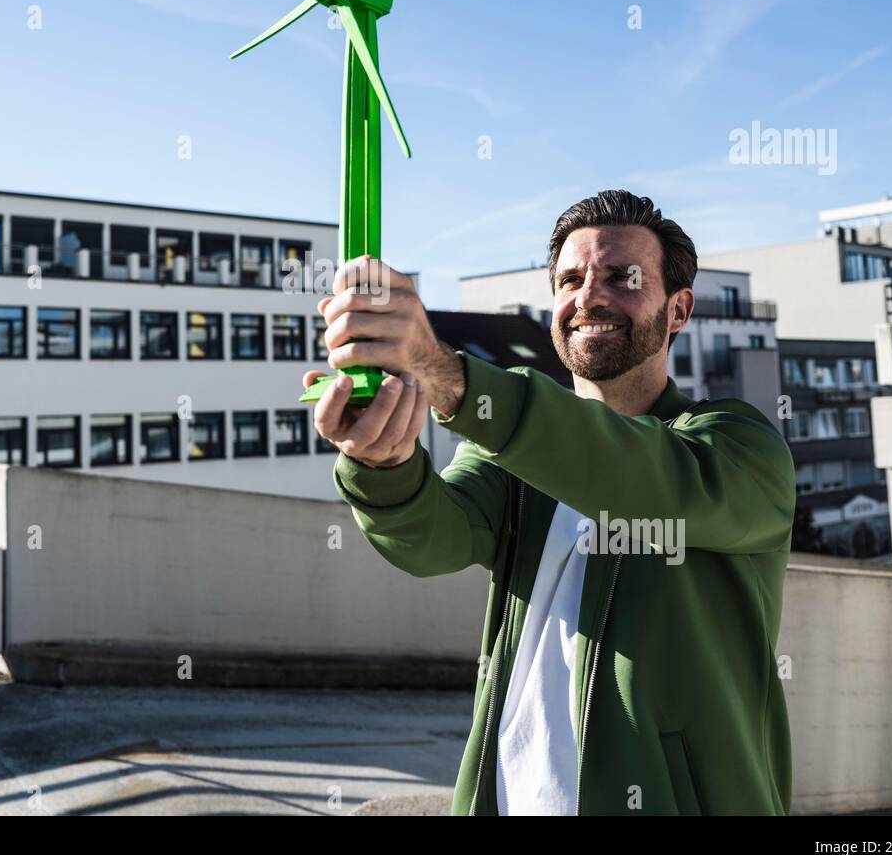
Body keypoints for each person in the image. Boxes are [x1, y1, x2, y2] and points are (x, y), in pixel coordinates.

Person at [305, 190, 796, 816]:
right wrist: (384, 464)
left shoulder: (739, 447)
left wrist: (446, 373)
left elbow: (640, 479)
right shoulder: (511, 455)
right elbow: (434, 541)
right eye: (571, 279)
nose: (590, 296)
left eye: (623, 278)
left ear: (678, 310)